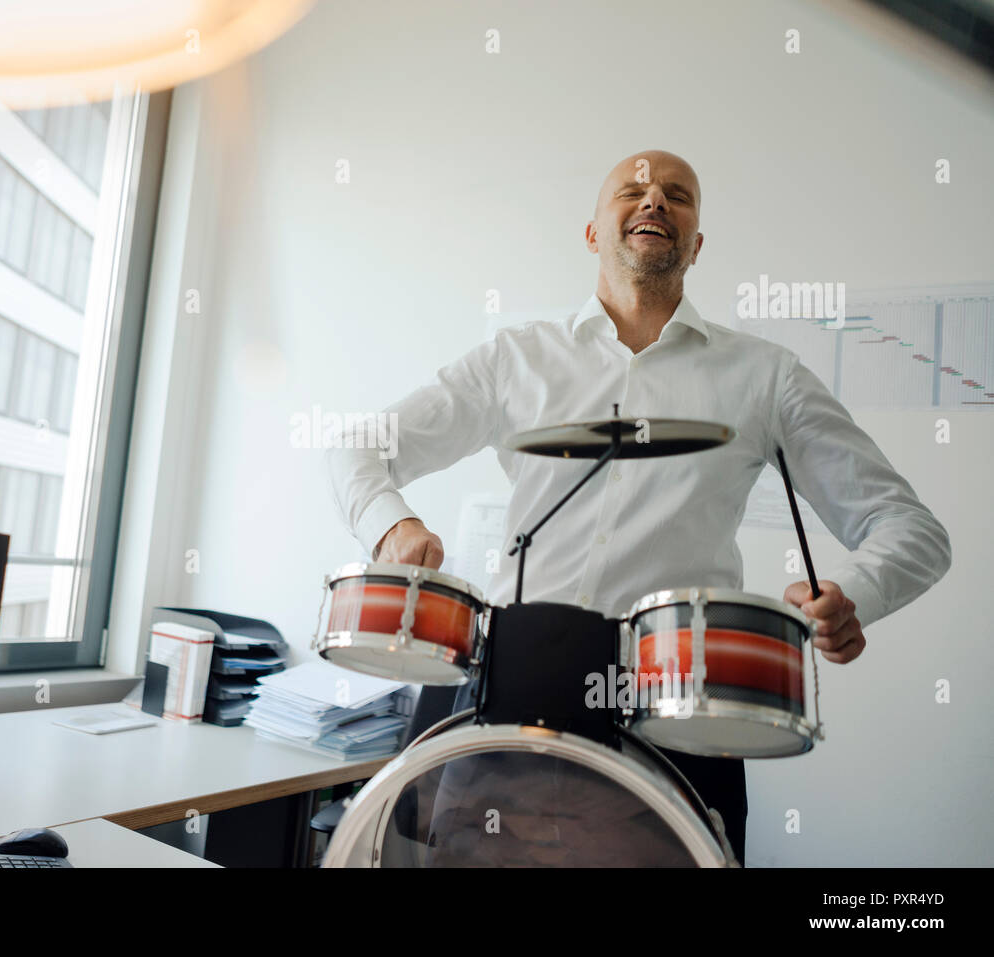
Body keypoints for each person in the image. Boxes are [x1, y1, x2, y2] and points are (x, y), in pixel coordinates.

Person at [324, 149, 952, 866]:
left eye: (677, 195)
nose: (655, 200)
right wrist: (392, 523)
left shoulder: (765, 377)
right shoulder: (514, 359)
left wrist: (853, 599)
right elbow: (355, 447)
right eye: (633, 189)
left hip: (673, 722)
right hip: (502, 704)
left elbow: (914, 529)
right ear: (593, 231)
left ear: (697, 242)